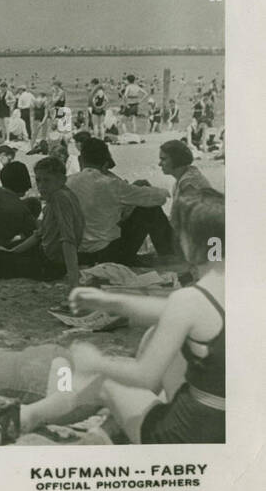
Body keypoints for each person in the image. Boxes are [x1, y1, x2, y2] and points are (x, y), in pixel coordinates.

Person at [67, 188, 224, 443]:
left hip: (187, 434)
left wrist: (94, 362)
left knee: (110, 383)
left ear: (188, 242)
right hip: (232, 427)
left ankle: (109, 432)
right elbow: (166, 311)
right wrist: (109, 301)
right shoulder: (240, 288)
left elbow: (145, 374)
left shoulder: (190, 299)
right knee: (165, 341)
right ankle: (114, 430)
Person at [0, 155, 82, 283]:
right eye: (39, 180)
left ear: (62, 180)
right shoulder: (62, 195)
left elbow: (68, 239)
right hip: (46, 256)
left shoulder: (59, 199)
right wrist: (12, 252)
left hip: (50, 265)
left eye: (47, 180)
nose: (41, 186)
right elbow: (38, 235)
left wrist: (73, 280)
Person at [67, 137, 173, 265]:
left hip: (78, 253)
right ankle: (169, 254)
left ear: (80, 160)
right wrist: (140, 189)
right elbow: (160, 198)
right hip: (108, 253)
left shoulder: (67, 182)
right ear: (105, 164)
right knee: (150, 209)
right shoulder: (111, 184)